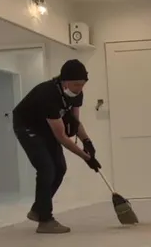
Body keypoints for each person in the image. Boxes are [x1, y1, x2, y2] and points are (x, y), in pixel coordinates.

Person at [12, 59, 100, 233]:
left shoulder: (76, 94)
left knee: (60, 167)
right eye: (76, 84)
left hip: (46, 127)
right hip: (28, 127)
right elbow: (61, 137)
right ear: (64, 81)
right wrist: (85, 157)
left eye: (83, 84)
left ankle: (39, 209)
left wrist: (87, 142)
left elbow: (74, 123)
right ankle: (45, 220)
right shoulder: (48, 94)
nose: (79, 88)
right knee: (46, 168)